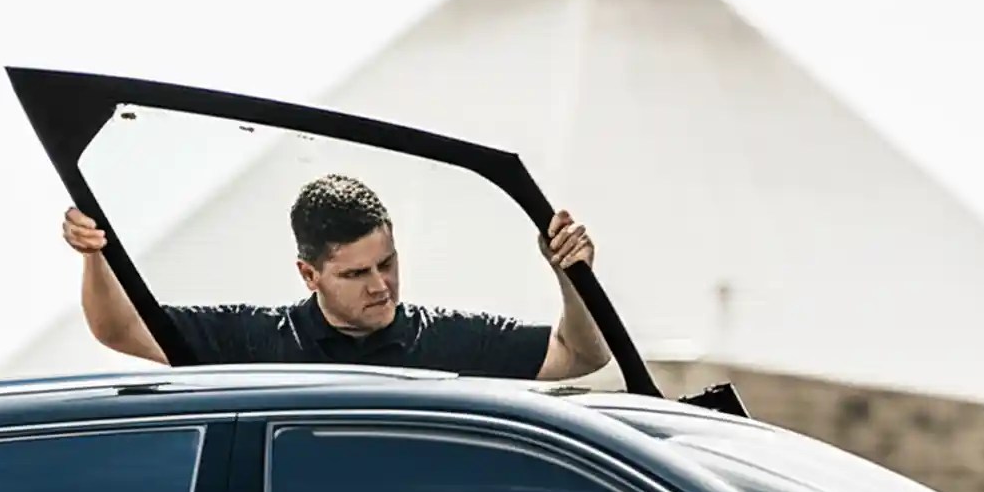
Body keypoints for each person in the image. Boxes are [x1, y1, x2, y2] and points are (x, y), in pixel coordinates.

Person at [61, 173, 611, 381]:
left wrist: (570, 275)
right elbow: (120, 329)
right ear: (309, 274)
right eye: (356, 273)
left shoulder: (445, 338)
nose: (381, 285)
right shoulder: (257, 340)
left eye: (387, 263)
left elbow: (580, 356)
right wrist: (94, 256)